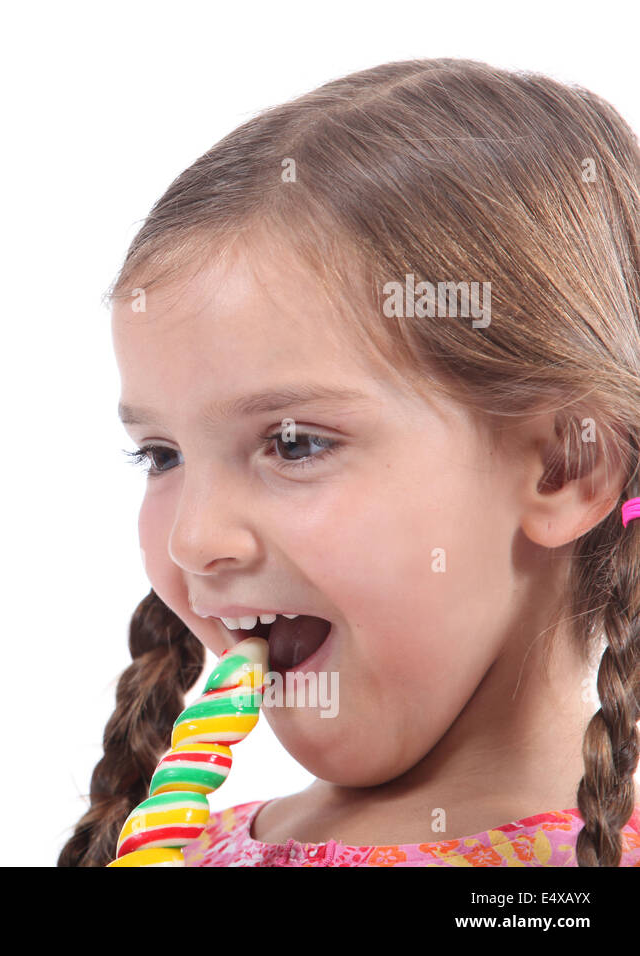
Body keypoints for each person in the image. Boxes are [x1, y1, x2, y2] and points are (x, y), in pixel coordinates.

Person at [59, 58, 640, 867]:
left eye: (294, 443)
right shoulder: (180, 850)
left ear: (561, 468)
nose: (195, 538)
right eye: (161, 454)